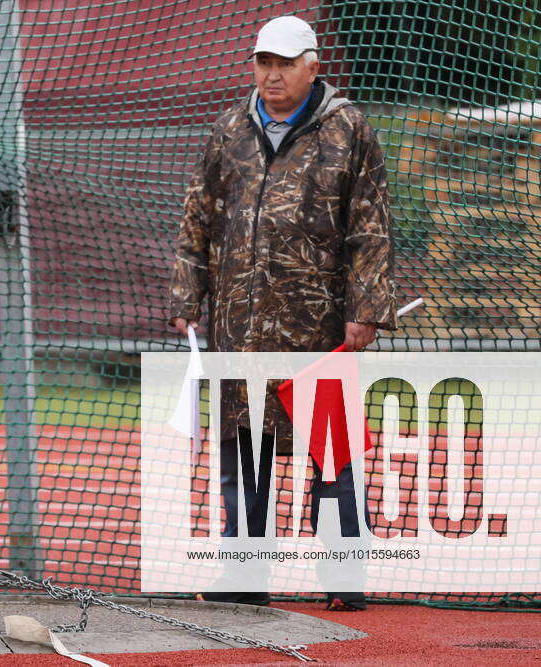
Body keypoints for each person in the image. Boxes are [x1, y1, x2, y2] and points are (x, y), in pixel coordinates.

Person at [167, 16, 397, 610]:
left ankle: (344, 574)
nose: (271, 73)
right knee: (242, 451)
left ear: (311, 66)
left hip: (315, 328)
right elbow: (197, 223)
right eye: (263, 61)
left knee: (330, 452)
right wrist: (186, 300)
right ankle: (245, 573)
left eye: (284, 62)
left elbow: (370, 227)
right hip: (237, 330)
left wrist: (368, 307)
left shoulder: (348, 129)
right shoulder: (228, 130)